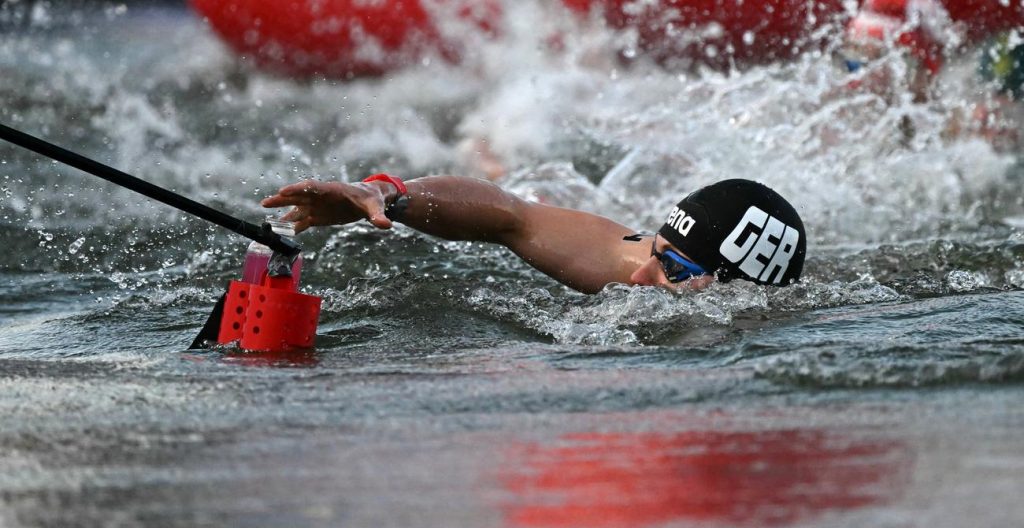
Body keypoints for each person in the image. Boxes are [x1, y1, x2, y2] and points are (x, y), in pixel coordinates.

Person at [260, 174, 806, 294]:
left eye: (675, 270)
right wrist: (385, 196)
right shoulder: (631, 266)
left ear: (739, 290)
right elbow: (511, 215)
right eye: (655, 251)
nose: (639, 272)